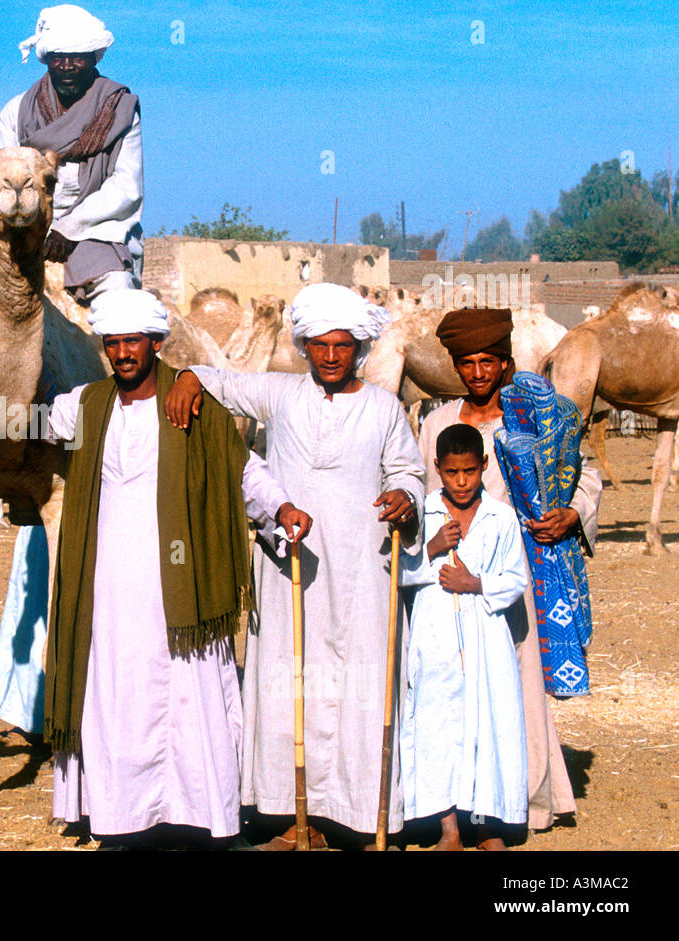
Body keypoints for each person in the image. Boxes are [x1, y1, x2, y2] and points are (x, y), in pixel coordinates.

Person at [42, 289, 310, 847]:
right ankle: (121, 818)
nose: (121, 353)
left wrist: (280, 506)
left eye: (132, 342)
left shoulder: (193, 405)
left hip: (180, 590)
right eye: (111, 343)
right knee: (116, 697)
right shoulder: (84, 406)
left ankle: (194, 814)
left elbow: (244, 470)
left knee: (188, 697)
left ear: (156, 343)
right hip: (109, 592)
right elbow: (27, 423)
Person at [165, 282, 426, 849]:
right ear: (303, 345)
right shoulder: (281, 394)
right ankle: (291, 816)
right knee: (288, 680)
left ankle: (357, 813)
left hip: (363, 571)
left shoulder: (383, 407)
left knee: (359, 685)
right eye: (320, 346)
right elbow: (221, 383)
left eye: (343, 346)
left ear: (359, 348)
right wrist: (189, 377)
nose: (331, 356)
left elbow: (408, 472)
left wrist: (405, 496)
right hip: (292, 571)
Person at [419, 306, 601, 830]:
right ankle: (454, 804)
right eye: (466, 363)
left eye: (487, 362)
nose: (477, 374)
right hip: (453, 572)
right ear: (455, 366)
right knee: (456, 683)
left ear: (504, 362)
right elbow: (425, 493)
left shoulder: (539, 415)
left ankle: (523, 801)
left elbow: (583, 472)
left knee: (517, 680)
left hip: (520, 570)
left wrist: (573, 512)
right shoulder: (437, 423)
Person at [0, 2, 142, 341]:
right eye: (58, 57)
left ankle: (120, 390)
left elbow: (126, 186)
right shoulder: (17, 111)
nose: (67, 66)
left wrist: (69, 228)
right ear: (47, 59)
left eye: (77, 57)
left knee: (119, 302)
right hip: (20, 227)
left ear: (95, 57)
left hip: (93, 233)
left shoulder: (119, 108)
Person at [399, 422, 528, 850]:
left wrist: (477, 584)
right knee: (439, 727)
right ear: (437, 468)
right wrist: (431, 548)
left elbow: (516, 580)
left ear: (484, 467)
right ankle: (448, 829)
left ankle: (488, 828)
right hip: (434, 638)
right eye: (452, 472)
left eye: (470, 472)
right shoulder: (422, 515)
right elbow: (397, 573)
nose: (461, 482)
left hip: (487, 638)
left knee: (488, 726)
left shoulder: (502, 517)